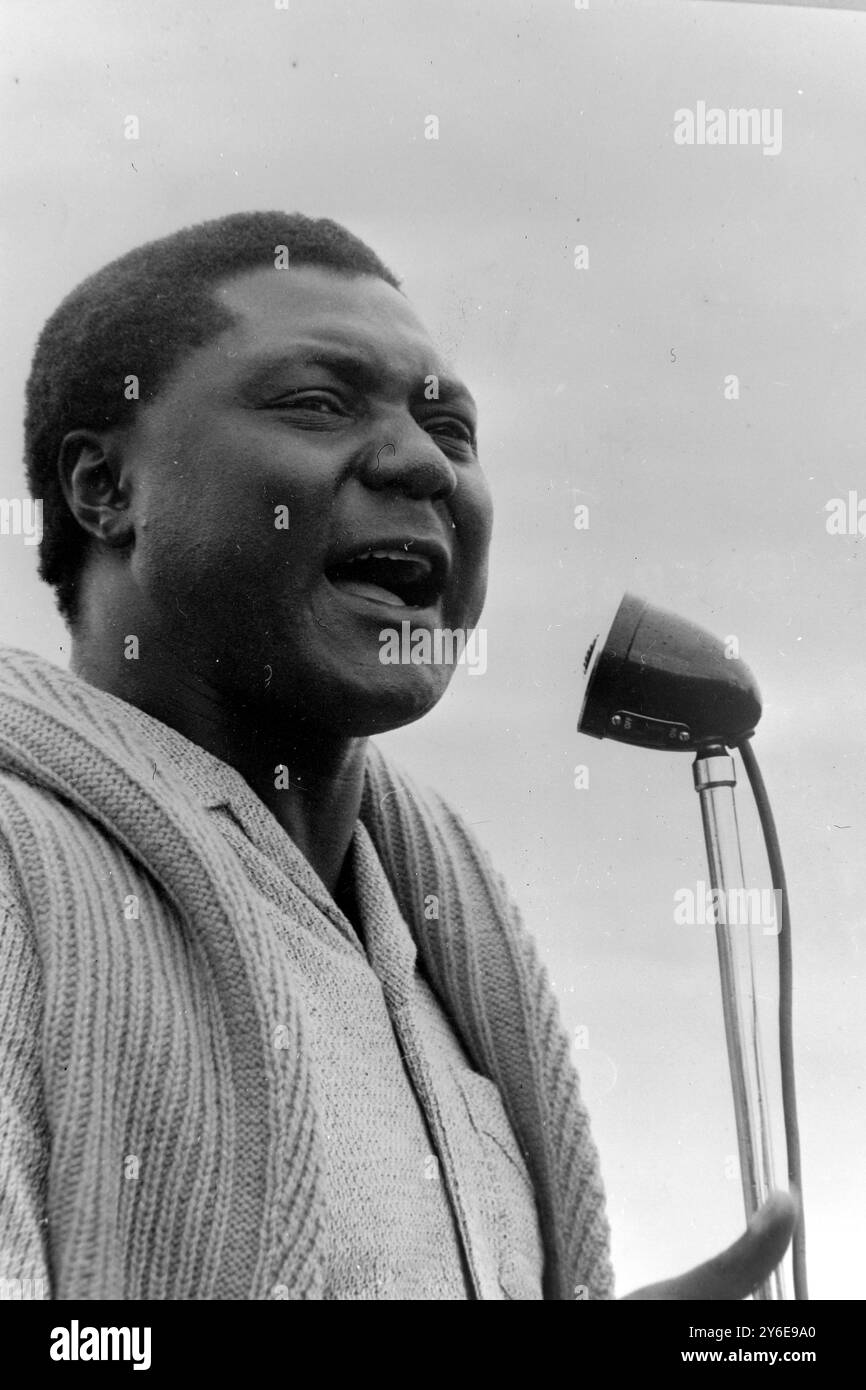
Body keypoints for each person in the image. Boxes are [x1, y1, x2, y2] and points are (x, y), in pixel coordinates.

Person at [0, 212, 794, 1300]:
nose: (422, 462)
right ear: (105, 486)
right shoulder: (16, 876)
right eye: (318, 403)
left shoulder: (452, 968)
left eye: (453, 431)